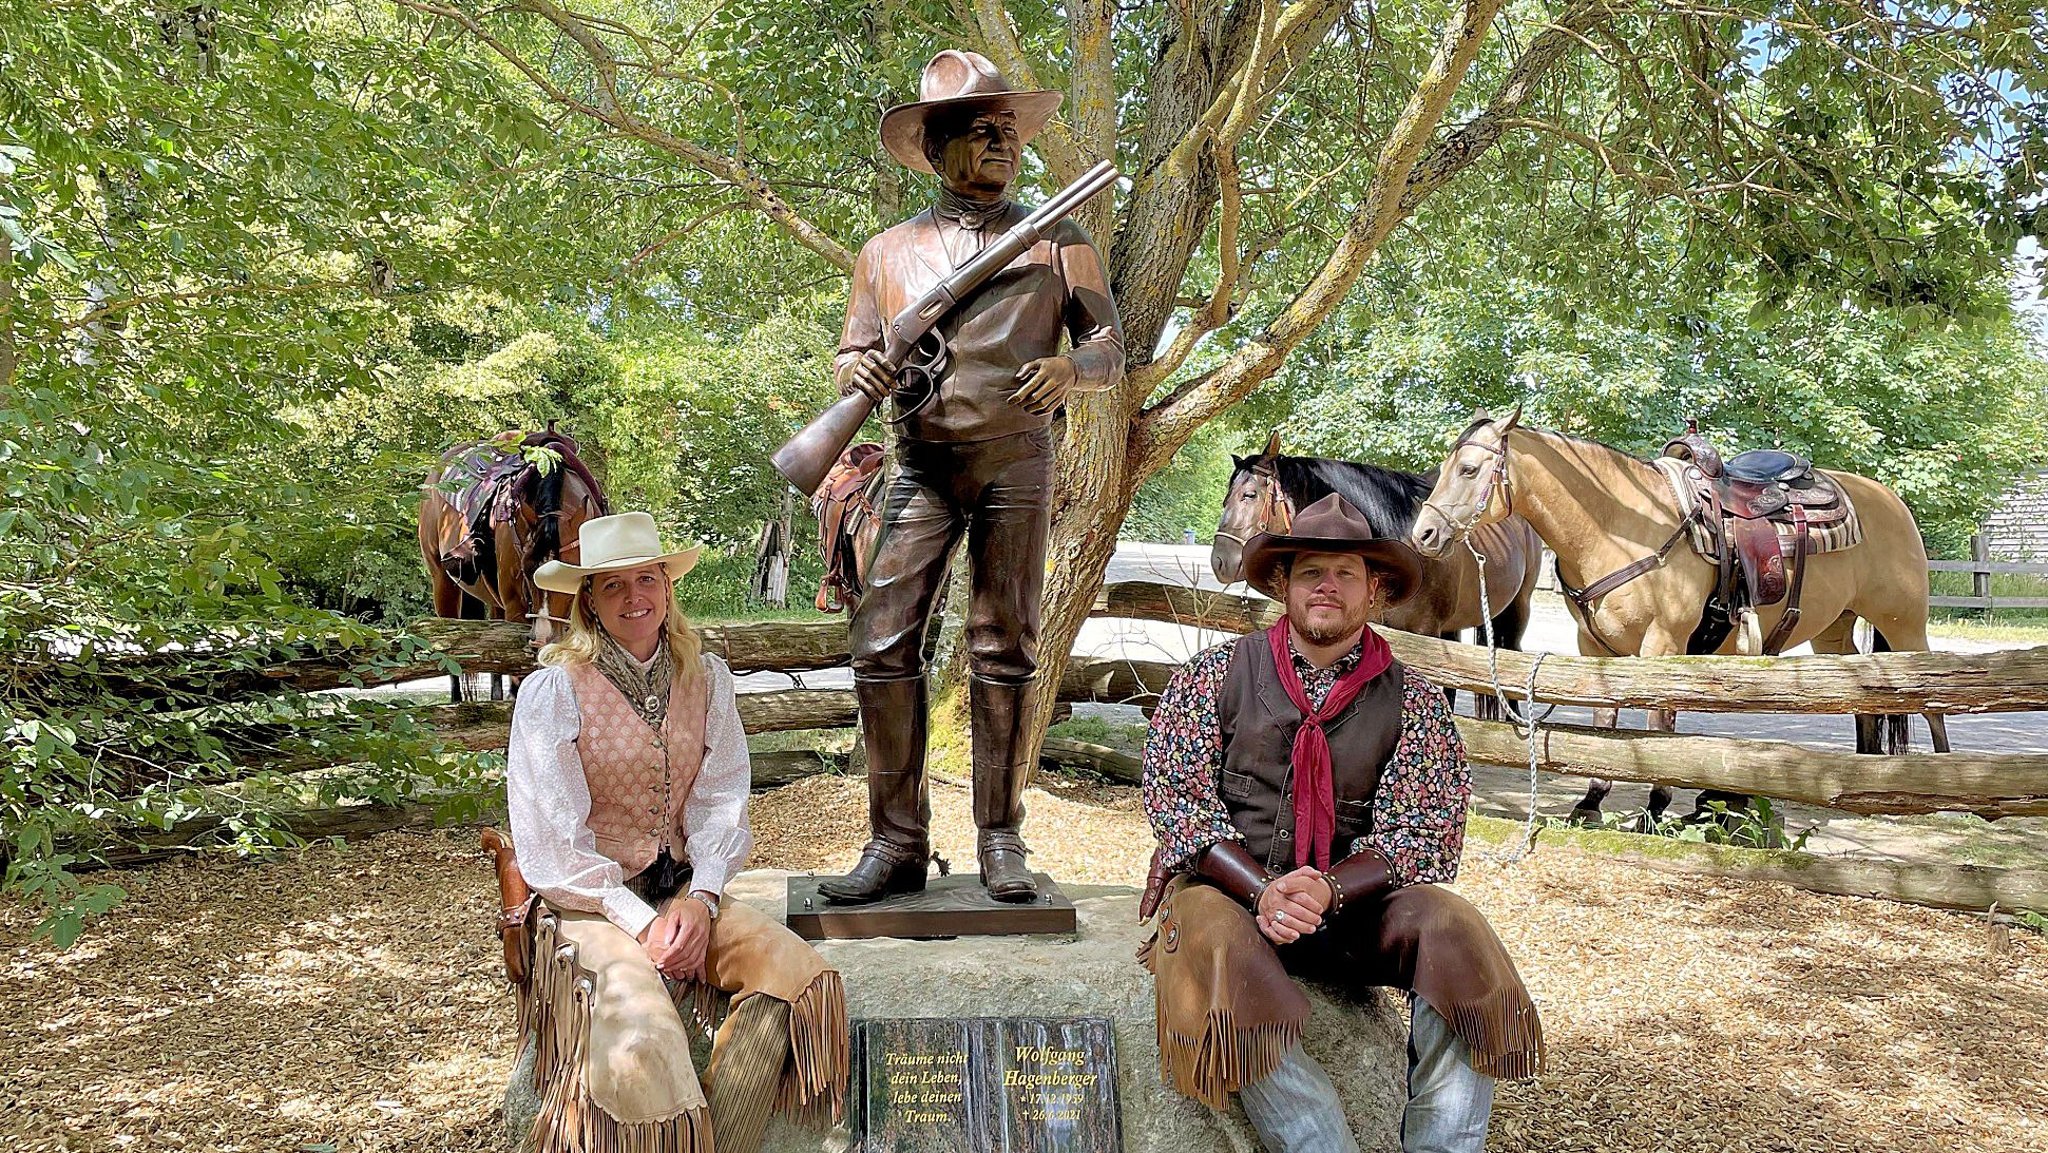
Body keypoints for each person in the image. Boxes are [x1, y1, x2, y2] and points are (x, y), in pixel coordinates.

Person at [1137, 493, 1544, 1153]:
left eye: (1344, 573)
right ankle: (1319, 1141)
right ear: (1282, 586)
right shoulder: (1216, 675)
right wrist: (1262, 890)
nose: (1326, 586)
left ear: (1376, 591)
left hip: (1352, 910)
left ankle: (1444, 1143)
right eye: (1309, 572)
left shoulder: (1412, 699)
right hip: (1235, 899)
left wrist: (1325, 889)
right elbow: (1177, 797)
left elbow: (1425, 829)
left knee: (1456, 928)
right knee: (1208, 934)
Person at [821, 49, 1125, 905]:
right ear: (939, 146)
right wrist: (862, 376)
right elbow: (851, 352)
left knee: (1005, 645)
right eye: (984, 129)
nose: (1005, 141)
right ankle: (896, 841)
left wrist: (1075, 371)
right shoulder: (886, 253)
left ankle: (999, 835)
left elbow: (1110, 345)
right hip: (920, 461)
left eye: (1010, 130)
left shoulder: (1062, 238)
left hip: (1018, 461)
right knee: (881, 641)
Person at [506, 511, 847, 1153]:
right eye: (614, 586)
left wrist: (704, 897)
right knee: (644, 1039)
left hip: (685, 892)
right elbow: (554, 840)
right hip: (593, 905)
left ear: (667, 586)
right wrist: (642, 924)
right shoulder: (554, 691)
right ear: (589, 602)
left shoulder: (706, 677)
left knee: (794, 977)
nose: (635, 599)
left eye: (647, 579)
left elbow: (721, 796)